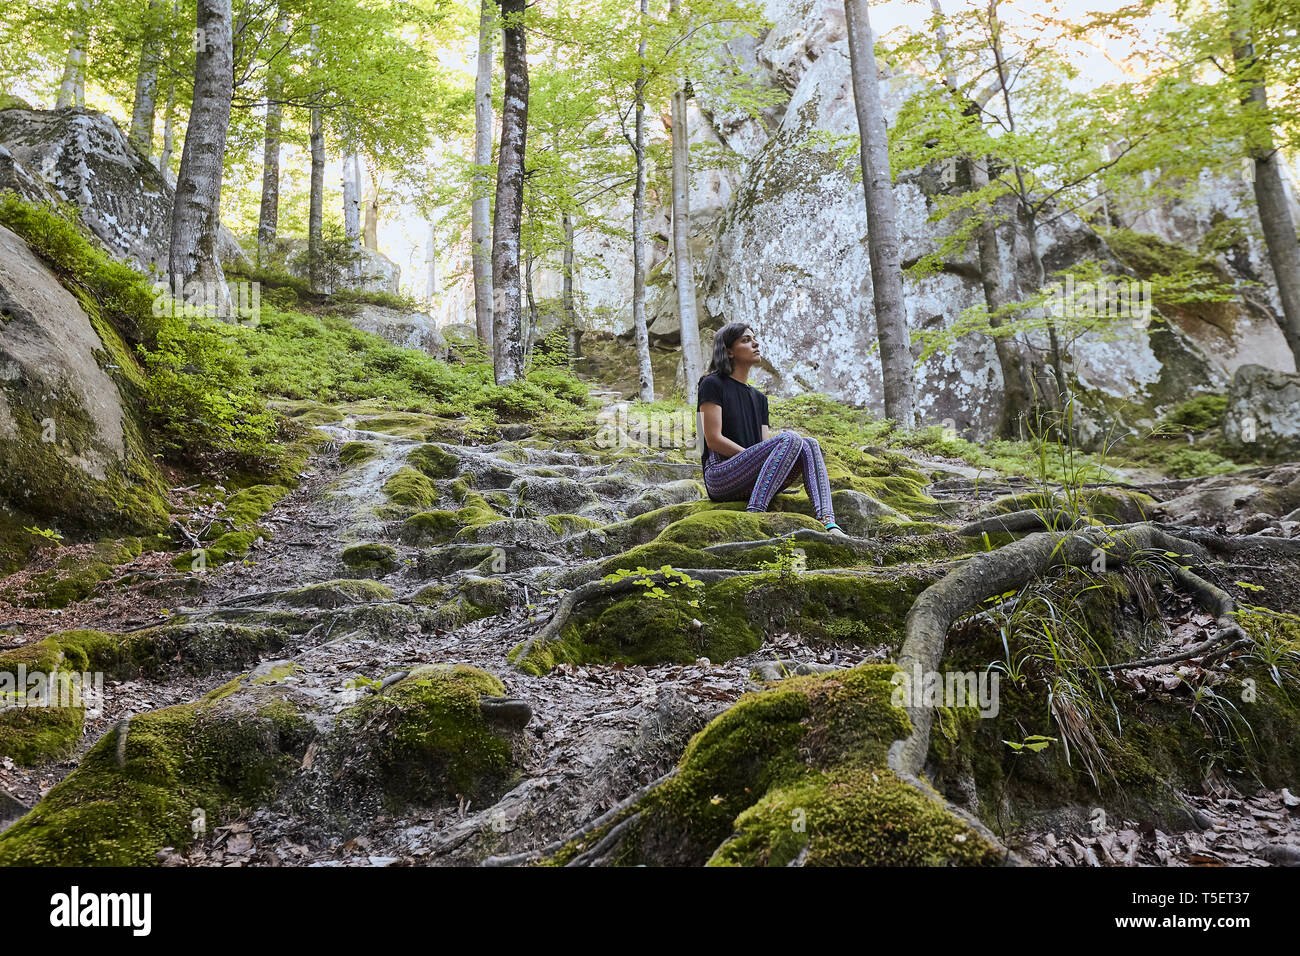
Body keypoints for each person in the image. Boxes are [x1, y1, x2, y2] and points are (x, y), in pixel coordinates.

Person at [695, 322, 847, 536]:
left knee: (810, 444)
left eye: (754, 339)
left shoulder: (760, 399)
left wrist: (764, 459)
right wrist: (757, 457)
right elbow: (712, 439)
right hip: (721, 476)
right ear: (729, 351)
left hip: (753, 476)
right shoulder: (711, 383)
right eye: (746, 340)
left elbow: (763, 446)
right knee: (791, 438)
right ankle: (755, 514)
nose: (755, 343)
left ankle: (828, 522)